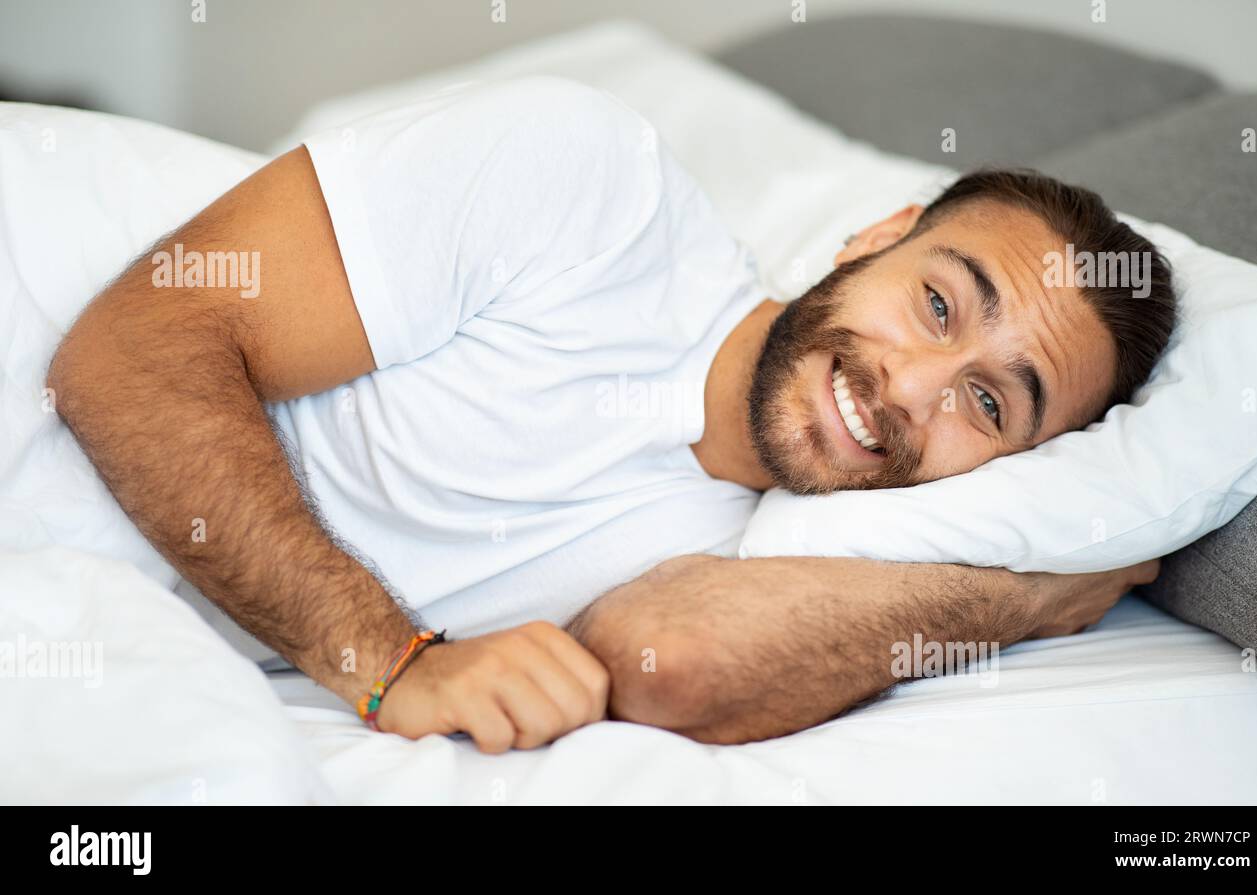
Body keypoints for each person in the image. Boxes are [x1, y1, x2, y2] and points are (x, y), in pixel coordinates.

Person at [47, 77, 1171, 752]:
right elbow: (130, 355)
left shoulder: (783, 549)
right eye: (935, 302)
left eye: (986, 404)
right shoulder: (596, 187)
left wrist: (1026, 596)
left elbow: (670, 662)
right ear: (874, 234)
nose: (908, 389)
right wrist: (389, 659)